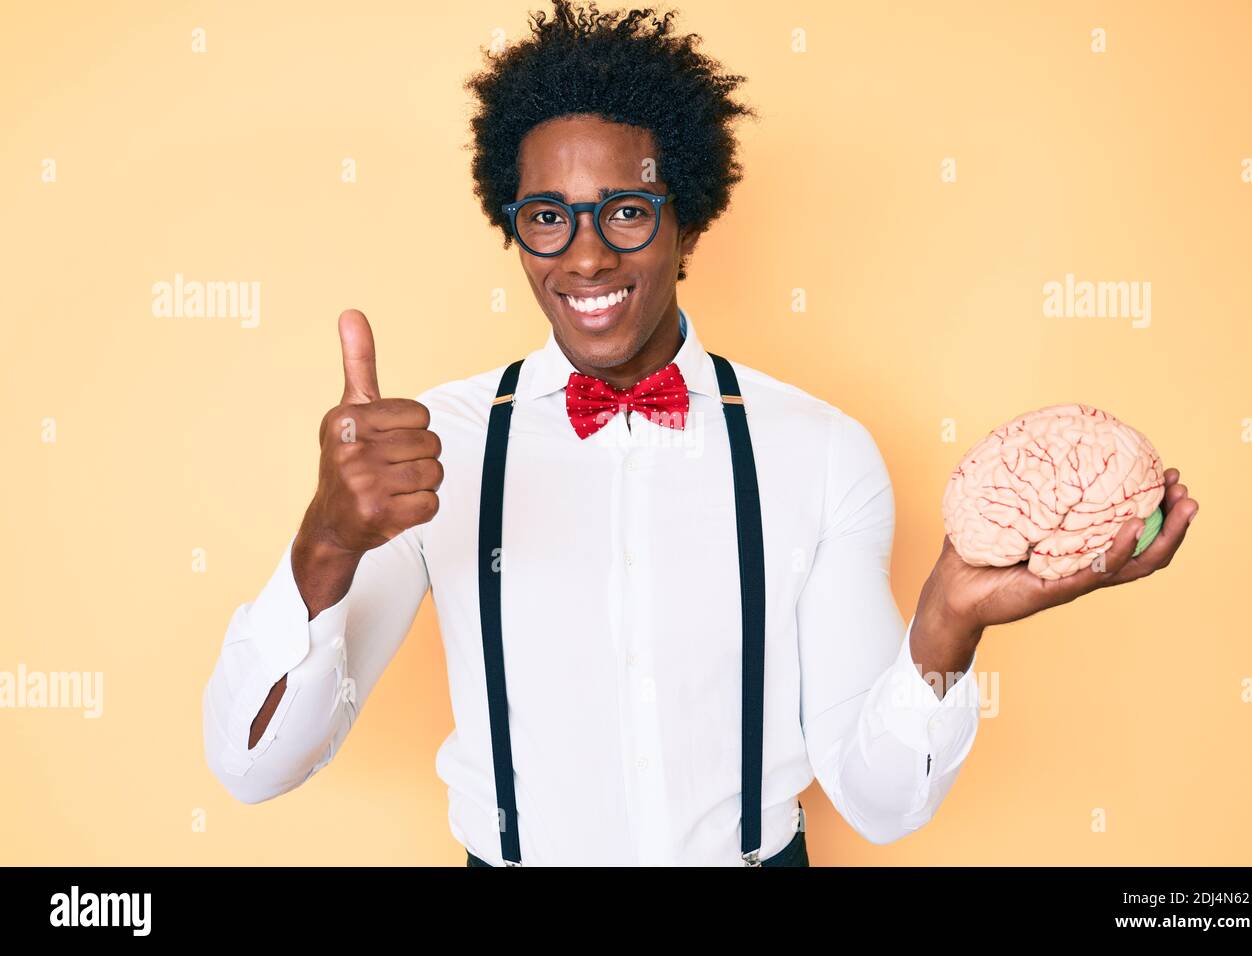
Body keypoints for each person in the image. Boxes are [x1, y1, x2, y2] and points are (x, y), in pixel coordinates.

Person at [201, 0, 1198, 866]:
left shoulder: (819, 451)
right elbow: (251, 769)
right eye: (546, 216)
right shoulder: (431, 449)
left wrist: (948, 618)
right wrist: (325, 542)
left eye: (625, 211)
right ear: (514, 230)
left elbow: (881, 803)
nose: (585, 256)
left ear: (688, 221)